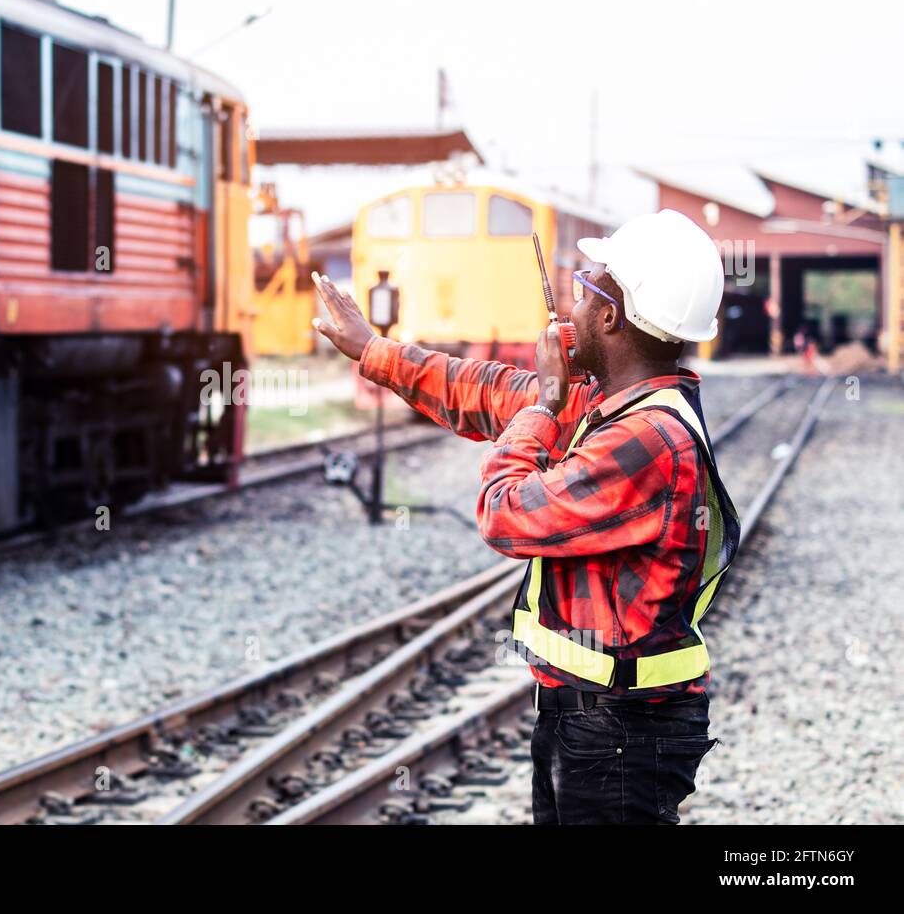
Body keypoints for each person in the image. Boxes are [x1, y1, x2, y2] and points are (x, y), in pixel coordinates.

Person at [311, 209, 739, 824]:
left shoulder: (647, 438)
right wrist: (373, 350)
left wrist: (544, 401)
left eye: (584, 289)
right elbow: (479, 389)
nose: (570, 308)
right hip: (592, 713)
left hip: (623, 727)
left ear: (611, 317)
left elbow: (505, 512)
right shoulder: (608, 403)